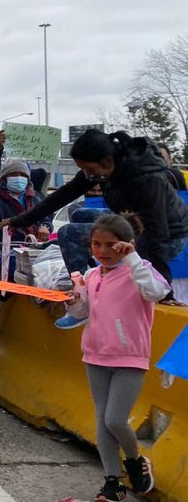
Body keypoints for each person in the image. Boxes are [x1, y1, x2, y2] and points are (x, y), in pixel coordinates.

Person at [63, 214, 167, 501]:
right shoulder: (93, 275)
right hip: (95, 355)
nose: (103, 251)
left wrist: (134, 259)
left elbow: (156, 292)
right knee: (102, 420)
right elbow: (83, 313)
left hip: (130, 357)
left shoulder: (141, 271)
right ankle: (112, 482)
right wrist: (75, 302)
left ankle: (134, 461)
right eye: (97, 244)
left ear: (127, 245)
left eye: (111, 245)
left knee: (115, 420)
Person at [3, 129, 188, 285]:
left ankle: (83, 290)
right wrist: (19, 220)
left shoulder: (146, 179)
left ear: (107, 162)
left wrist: (163, 286)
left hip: (169, 235)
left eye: (89, 170)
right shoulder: (103, 168)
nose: (88, 176)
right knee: (78, 214)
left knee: (69, 233)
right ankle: (92, 274)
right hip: (134, 222)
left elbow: (159, 231)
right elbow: (62, 195)